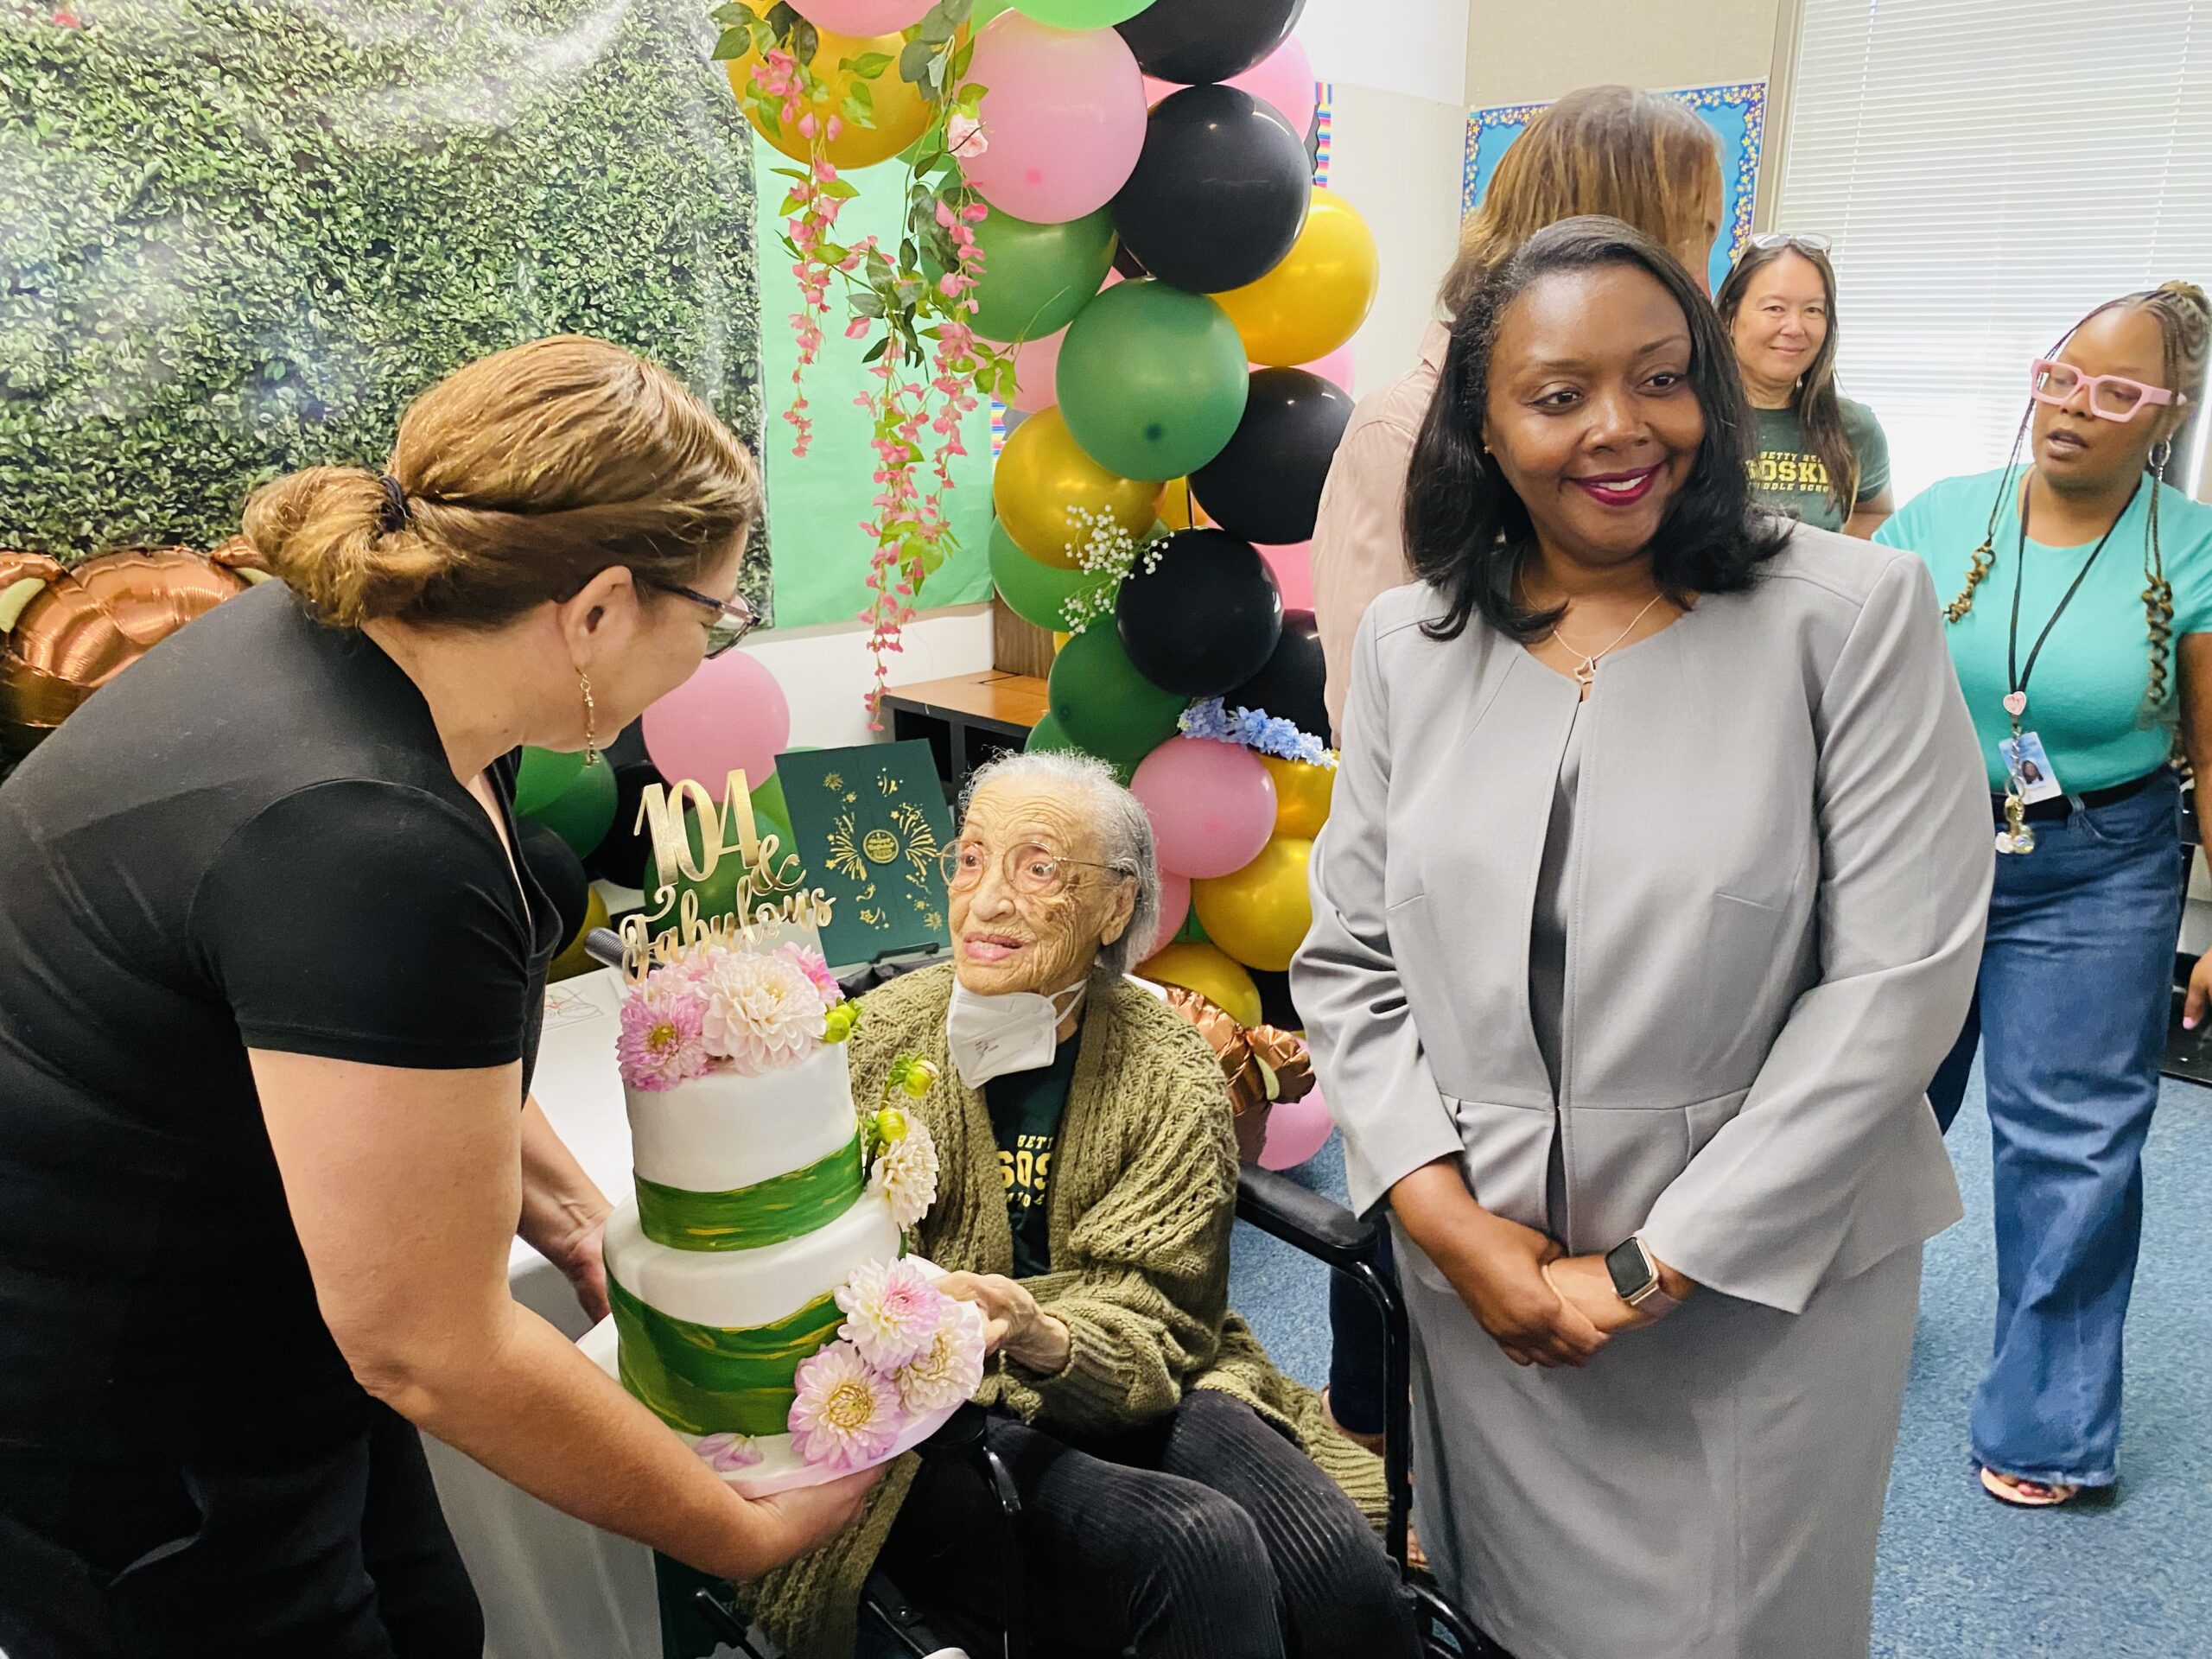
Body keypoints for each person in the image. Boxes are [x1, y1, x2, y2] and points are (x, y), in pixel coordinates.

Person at [0, 337, 877, 1657]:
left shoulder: (368, 638)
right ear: (592, 611)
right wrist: (737, 1529)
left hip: (267, 1302)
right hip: (130, 1418)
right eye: (713, 620)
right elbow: (426, 1348)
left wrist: (583, 1223)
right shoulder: (365, 838)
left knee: (429, 1612)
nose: (710, 657)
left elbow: (390, 1059)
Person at [1294, 218, 1989, 1659]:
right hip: (1489, 1281)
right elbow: (1350, 963)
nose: (1621, 429)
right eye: (1557, 396)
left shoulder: (1851, 615)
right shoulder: (1410, 650)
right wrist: (1450, 1225)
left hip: (1758, 1292)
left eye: (1663, 379)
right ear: (1481, 429)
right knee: (1509, 1624)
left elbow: (1898, 984)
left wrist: (1648, 1269)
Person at [747, 751, 1416, 1659]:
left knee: (1339, 1575)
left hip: (1139, 1369)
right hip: (932, 1412)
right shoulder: (876, 1042)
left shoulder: (1165, 1069)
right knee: (1194, 1546)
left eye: (1037, 869)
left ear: (1111, 905)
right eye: (971, 858)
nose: (985, 903)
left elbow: (1165, 1321)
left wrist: (1039, 1331)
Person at [1306, 82, 1726, 1453]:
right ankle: (1388, 1498)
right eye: (1700, 231)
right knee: (1419, 1257)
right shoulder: (1408, 420)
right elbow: (1381, 708)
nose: (1712, 268)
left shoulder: (1684, 445)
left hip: (1620, 922)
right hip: (1462, 913)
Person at [1875, 281, 2212, 1509]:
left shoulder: (2194, 552)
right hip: (1923, 846)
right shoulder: (1941, 520)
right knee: (1870, 1099)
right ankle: (1827, 1333)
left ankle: (2047, 1430)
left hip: (2102, 866)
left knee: (2071, 1143)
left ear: (2160, 418)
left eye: (2115, 392)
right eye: (2060, 376)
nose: (2076, 407)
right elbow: (1838, 690)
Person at [1310, 83, 1725, 741]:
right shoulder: (1402, 434)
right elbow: (1371, 721)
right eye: (1694, 239)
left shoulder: (1665, 425)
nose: (1706, 284)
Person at [1717, 232, 1894, 536]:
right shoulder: (1690, 417)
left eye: (1813, 310)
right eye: (1775, 308)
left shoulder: (1855, 428)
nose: (1795, 328)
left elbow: (1875, 512)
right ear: (1731, 318)